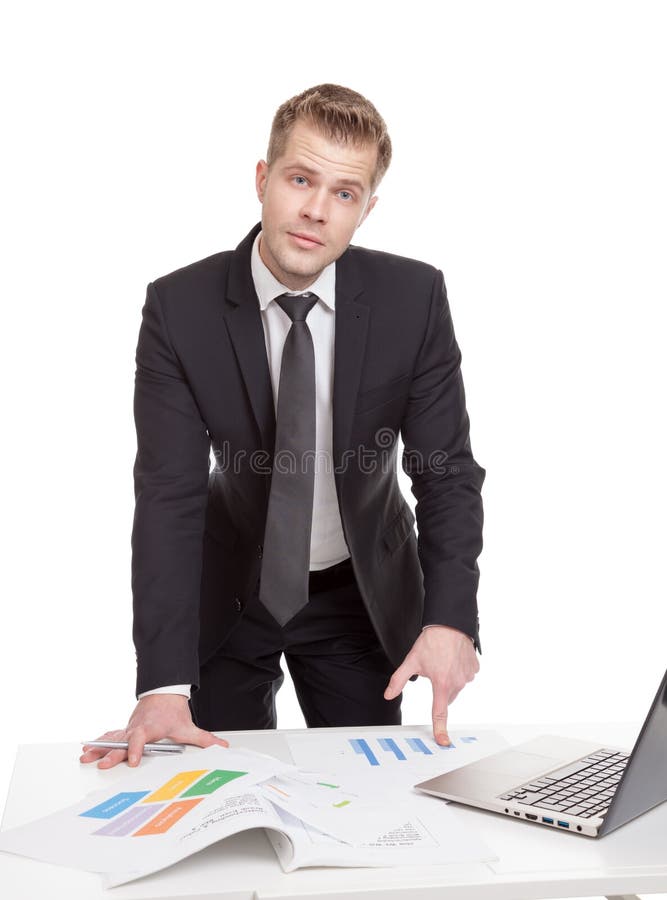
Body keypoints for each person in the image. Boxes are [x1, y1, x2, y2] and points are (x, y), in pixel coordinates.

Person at [81, 83, 485, 770]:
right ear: (263, 179)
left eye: (344, 193)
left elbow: (445, 474)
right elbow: (168, 495)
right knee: (223, 798)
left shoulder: (411, 300)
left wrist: (449, 620)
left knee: (368, 801)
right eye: (300, 179)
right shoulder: (179, 310)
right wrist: (160, 682)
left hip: (357, 591)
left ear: (366, 209)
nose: (315, 212)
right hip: (232, 589)